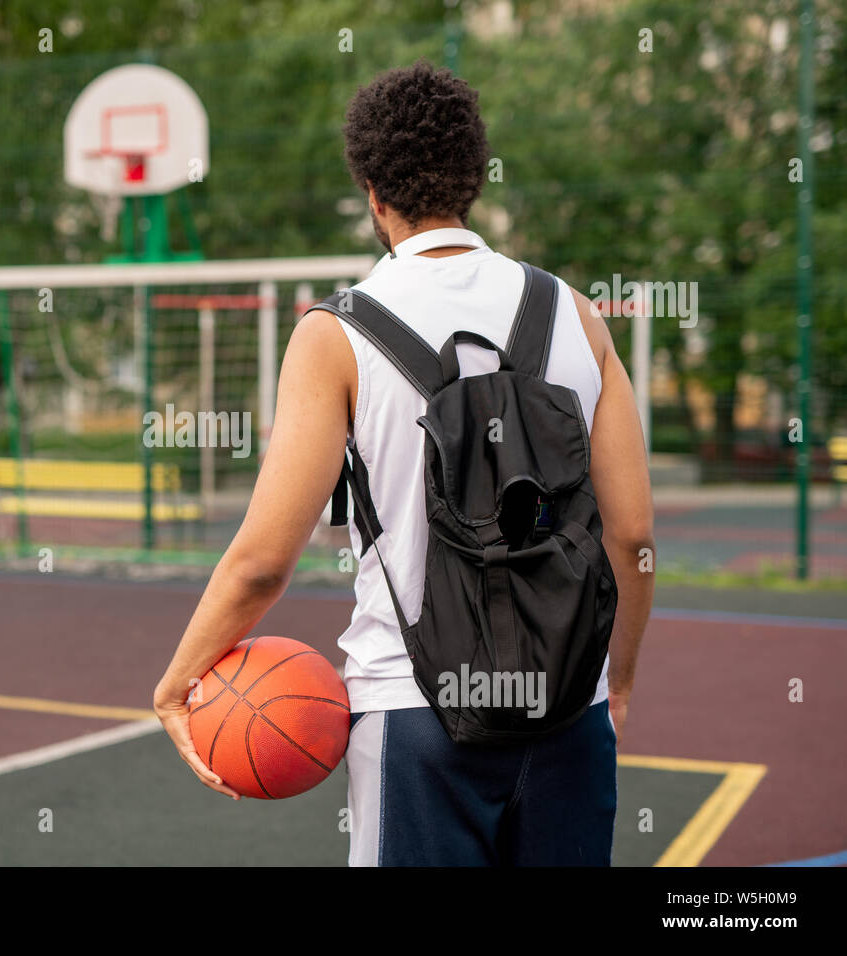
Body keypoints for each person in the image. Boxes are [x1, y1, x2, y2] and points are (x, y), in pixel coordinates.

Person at [153, 60, 654, 866]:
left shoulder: (336, 333)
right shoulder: (577, 314)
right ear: (473, 179)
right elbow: (632, 536)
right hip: (569, 710)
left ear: (372, 194)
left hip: (416, 713)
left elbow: (261, 564)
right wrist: (615, 682)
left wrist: (176, 681)